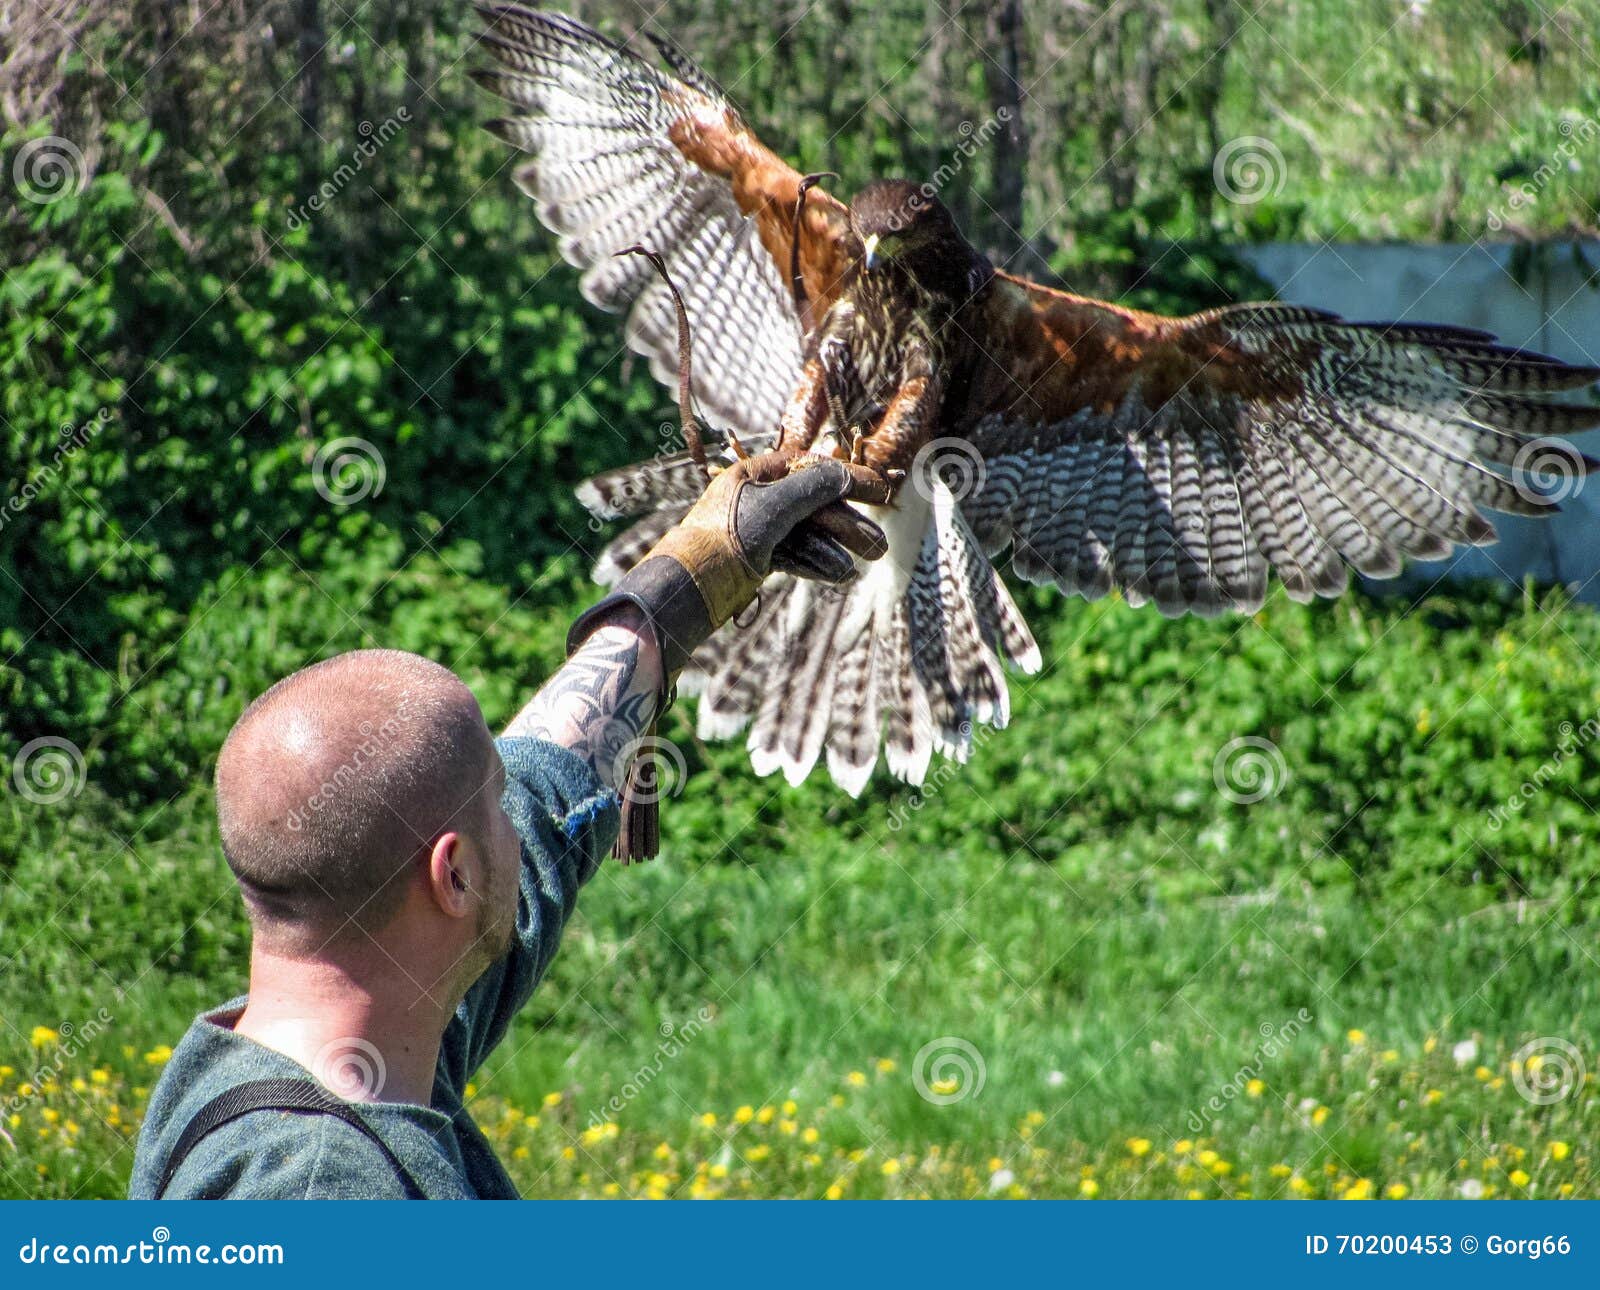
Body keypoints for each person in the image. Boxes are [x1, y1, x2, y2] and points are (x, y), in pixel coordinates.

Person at [129, 451, 883, 1198]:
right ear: (452, 875)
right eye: (498, 802)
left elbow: (549, 788)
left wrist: (688, 582)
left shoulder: (365, 1048)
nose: (522, 818)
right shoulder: (321, 1189)